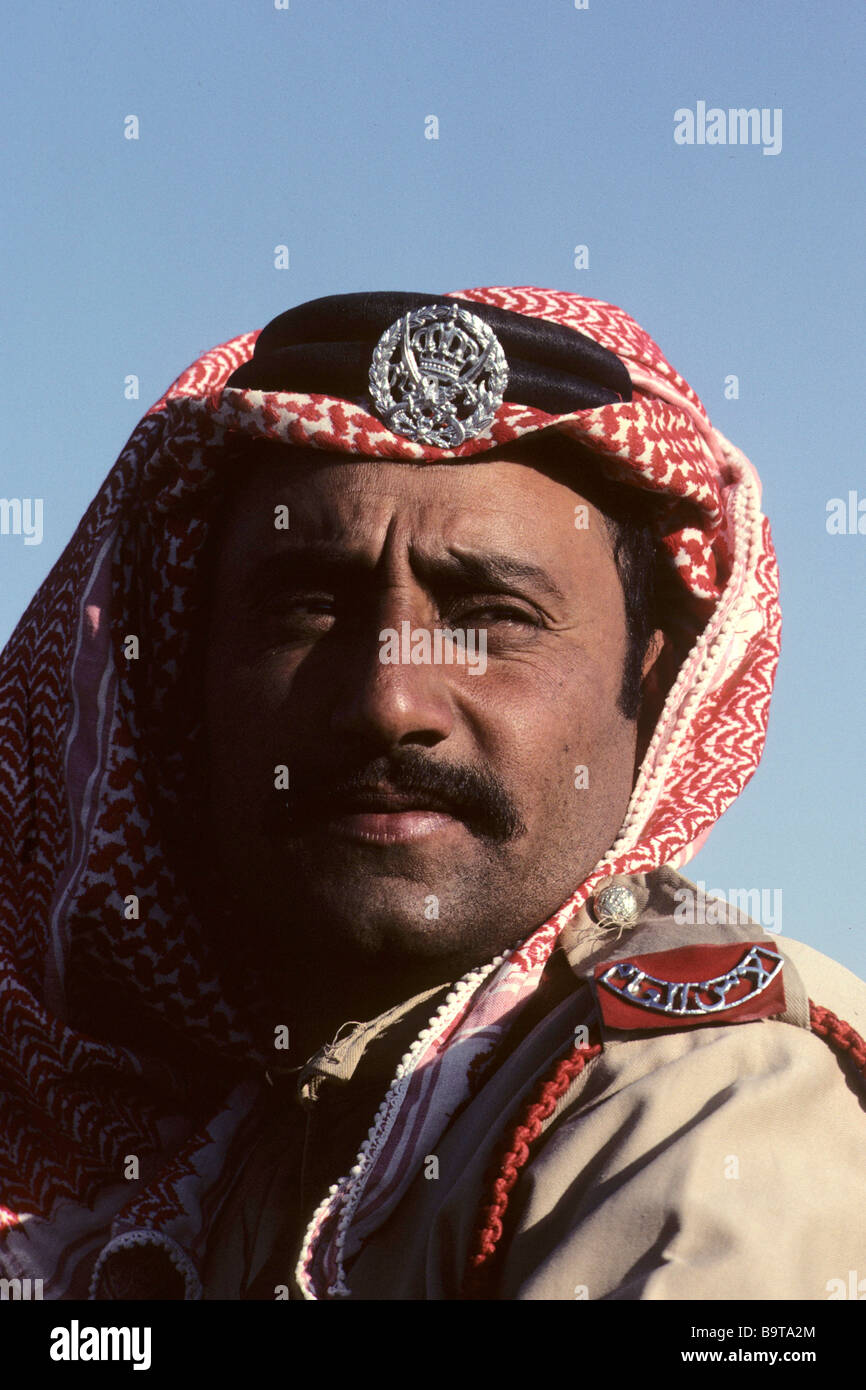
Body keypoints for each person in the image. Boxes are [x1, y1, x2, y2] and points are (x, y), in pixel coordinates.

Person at [1, 287, 864, 1302]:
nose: (387, 700)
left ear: (648, 678)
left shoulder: (690, 1096)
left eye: (490, 615)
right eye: (307, 608)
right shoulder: (227, 1145)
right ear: (187, 682)